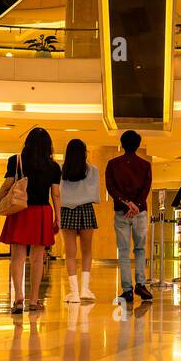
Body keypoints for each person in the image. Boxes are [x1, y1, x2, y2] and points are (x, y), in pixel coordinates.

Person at [0, 126, 61, 314]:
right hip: (42, 212)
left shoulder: (16, 161)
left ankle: (18, 299)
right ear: (49, 146)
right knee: (38, 258)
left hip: (20, 210)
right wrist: (58, 218)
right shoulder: (54, 166)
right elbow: (55, 194)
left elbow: (6, 187)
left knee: (17, 257)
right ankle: (33, 301)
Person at [105, 130, 154, 305]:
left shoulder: (112, 164)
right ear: (138, 145)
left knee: (124, 252)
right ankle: (140, 284)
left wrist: (126, 203)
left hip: (121, 211)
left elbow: (110, 188)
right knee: (140, 249)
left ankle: (127, 290)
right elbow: (146, 188)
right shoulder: (145, 165)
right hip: (140, 212)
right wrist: (136, 205)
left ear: (122, 144)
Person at [59, 139, 100, 304]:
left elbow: (57, 192)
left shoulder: (61, 170)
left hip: (67, 210)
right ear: (84, 152)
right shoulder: (93, 170)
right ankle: (85, 289)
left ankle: (74, 293)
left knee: (70, 253)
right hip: (86, 209)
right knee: (87, 251)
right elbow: (95, 191)